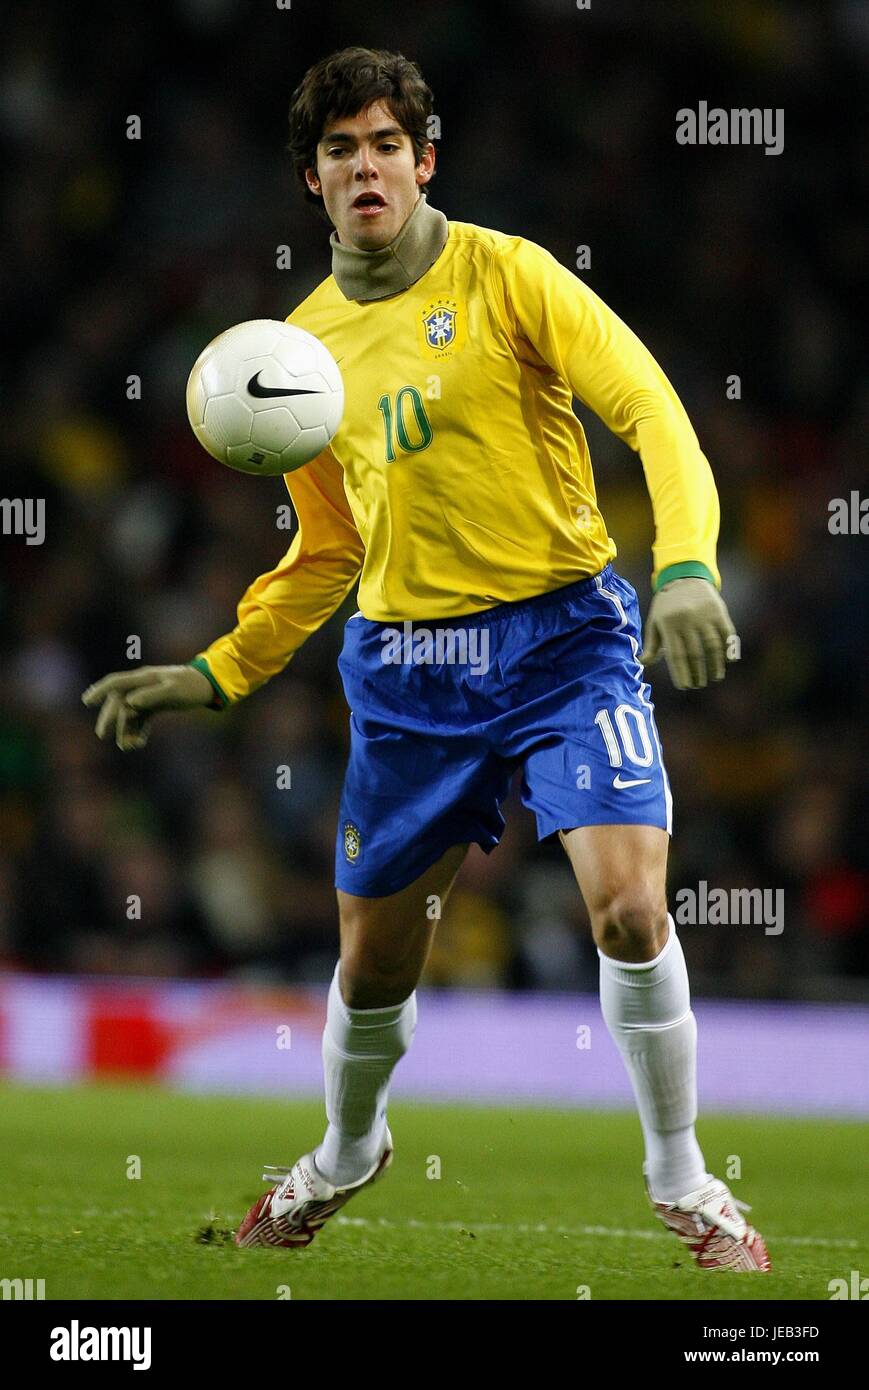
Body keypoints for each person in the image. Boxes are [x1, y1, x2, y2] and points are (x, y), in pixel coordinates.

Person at [82, 46, 769, 1271]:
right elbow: (323, 553)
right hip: (405, 673)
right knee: (373, 961)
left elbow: (653, 410)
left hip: (565, 642)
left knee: (626, 906)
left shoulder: (509, 276)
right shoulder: (296, 360)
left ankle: (686, 1182)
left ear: (423, 158)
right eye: (340, 148)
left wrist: (684, 568)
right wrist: (220, 670)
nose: (365, 166)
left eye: (385, 144)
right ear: (312, 178)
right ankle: (346, 1151)